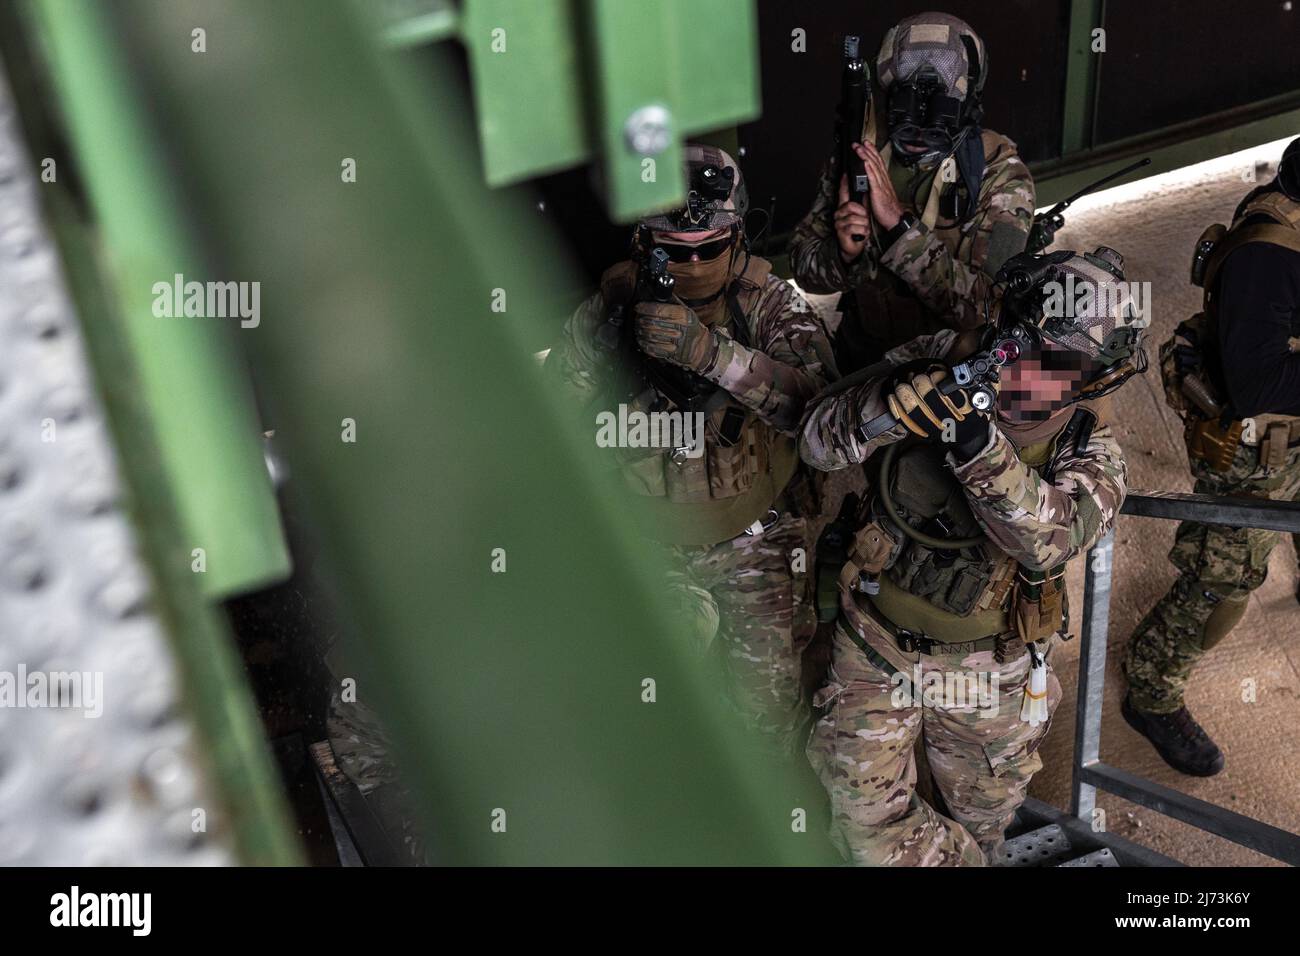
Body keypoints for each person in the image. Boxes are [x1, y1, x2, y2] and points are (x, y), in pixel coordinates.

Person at [800, 247, 1148, 864]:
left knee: (982, 825)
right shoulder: (944, 356)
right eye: (1022, 346)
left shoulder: (1090, 445)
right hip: (875, 646)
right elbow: (816, 440)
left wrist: (976, 443)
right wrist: (887, 408)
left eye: (1059, 366)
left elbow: (1051, 539)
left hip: (992, 674)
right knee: (865, 834)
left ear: (1093, 377)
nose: (1027, 376)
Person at [545, 144, 837, 754]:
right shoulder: (609, 310)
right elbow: (553, 426)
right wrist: (607, 358)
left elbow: (820, 413)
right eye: (676, 252)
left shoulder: (769, 303)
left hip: (755, 536)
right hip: (648, 541)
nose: (695, 262)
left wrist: (712, 356)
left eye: (711, 246)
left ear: (738, 235)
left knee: (766, 715)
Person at [1122, 137, 1300, 776]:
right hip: (1254, 445)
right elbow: (1258, 386)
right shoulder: (1268, 256)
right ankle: (1151, 691)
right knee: (1222, 582)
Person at [790, 11, 1035, 372]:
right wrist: (845, 255)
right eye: (905, 109)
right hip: (864, 356)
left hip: (952, 370)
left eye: (937, 112)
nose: (918, 132)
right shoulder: (864, 153)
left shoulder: (1000, 175)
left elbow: (991, 307)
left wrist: (898, 227)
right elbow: (804, 270)